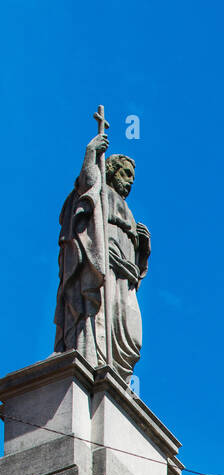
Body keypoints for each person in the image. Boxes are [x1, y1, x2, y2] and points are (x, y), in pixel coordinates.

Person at [54, 133, 150, 386]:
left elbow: (139, 270)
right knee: (98, 321)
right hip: (104, 269)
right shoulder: (101, 192)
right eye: (125, 173)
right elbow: (86, 187)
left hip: (125, 278)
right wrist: (91, 153)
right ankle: (95, 364)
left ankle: (118, 378)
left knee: (132, 338)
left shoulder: (128, 210)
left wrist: (144, 248)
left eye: (132, 177)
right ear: (111, 170)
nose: (129, 182)